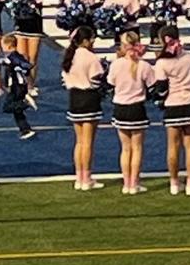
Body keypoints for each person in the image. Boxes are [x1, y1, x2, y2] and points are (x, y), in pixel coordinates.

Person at [153, 32, 190, 195]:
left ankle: (174, 183)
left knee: (173, 145)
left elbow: (161, 89)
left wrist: (160, 99)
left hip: (173, 104)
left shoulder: (161, 62)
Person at [107, 31, 155, 195]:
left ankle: (126, 183)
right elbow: (152, 85)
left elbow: (110, 82)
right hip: (137, 109)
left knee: (125, 149)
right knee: (137, 148)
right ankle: (134, 183)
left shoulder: (116, 65)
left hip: (120, 108)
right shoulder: (144, 66)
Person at [61, 25, 106, 192]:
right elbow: (96, 82)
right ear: (85, 40)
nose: (93, 41)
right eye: (92, 38)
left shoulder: (69, 56)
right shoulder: (90, 57)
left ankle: (79, 178)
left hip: (74, 98)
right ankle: (87, 178)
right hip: (89, 99)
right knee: (88, 142)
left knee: (79, 142)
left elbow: (64, 79)